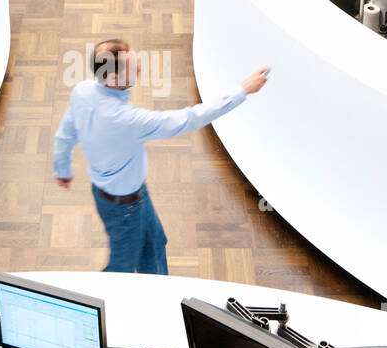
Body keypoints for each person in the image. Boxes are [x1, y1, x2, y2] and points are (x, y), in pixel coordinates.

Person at [53, 39, 269, 274]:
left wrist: (62, 169)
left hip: (127, 197)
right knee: (120, 270)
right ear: (114, 79)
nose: (139, 69)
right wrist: (243, 90)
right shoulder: (128, 120)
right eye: (133, 66)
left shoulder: (82, 91)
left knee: (156, 244)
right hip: (123, 207)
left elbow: (65, 135)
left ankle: (160, 292)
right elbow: (190, 118)